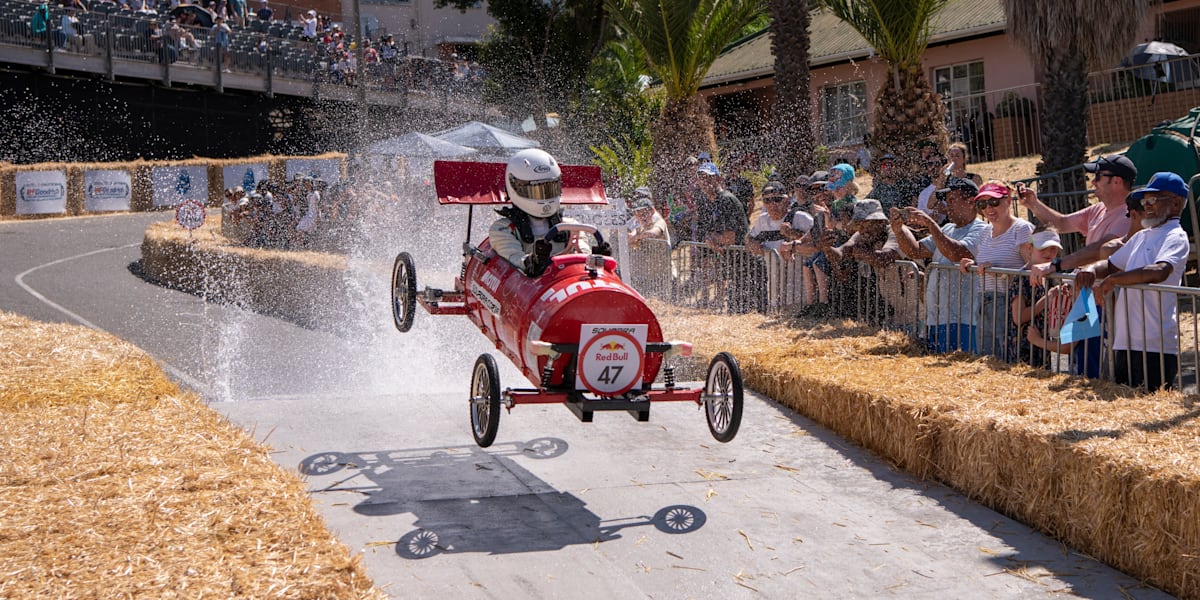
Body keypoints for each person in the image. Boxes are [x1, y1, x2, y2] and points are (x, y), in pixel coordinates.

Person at [1078, 172, 1191, 390]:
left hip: (1156, 344)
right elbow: (1111, 264)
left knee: (1151, 409)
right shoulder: (1141, 236)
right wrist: (1091, 269)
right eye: (1144, 201)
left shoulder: (1175, 236)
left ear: (1176, 203)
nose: (1147, 206)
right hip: (1125, 341)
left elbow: (1160, 271)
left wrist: (1113, 281)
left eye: (1153, 200)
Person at [891, 177, 987, 353]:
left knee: (960, 363)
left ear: (971, 202)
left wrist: (930, 224)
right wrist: (899, 230)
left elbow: (956, 254)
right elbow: (916, 251)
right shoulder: (948, 228)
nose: (947, 205)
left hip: (964, 317)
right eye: (946, 200)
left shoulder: (980, 229)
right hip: (938, 316)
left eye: (952, 200)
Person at [1023, 154, 1137, 285]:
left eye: (1098, 176)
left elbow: (1099, 250)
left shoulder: (1130, 215)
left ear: (1117, 181)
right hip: (1092, 292)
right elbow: (1061, 223)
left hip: (1111, 297)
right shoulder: (1097, 209)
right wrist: (1033, 204)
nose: (1093, 182)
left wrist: (1056, 265)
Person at [489, 149, 596, 277]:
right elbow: (515, 259)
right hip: (529, 291)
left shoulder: (570, 225)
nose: (544, 197)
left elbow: (584, 255)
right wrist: (533, 261)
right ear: (515, 187)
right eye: (536, 191)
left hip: (566, 285)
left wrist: (598, 258)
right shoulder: (502, 229)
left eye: (549, 189)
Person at [959, 181, 1035, 360]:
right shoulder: (985, 232)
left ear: (1008, 200)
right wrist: (971, 264)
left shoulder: (1022, 229)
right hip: (985, 302)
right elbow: (985, 264)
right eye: (982, 204)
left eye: (994, 202)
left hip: (1010, 304)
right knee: (987, 359)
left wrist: (999, 271)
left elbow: (1032, 268)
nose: (989, 209)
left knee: (1008, 359)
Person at [1010, 228, 1065, 368]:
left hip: (1041, 345)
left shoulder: (1048, 276)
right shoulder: (1022, 277)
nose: (1048, 253)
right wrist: (1048, 298)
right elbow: (1018, 317)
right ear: (1029, 248)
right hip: (1023, 348)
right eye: (1043, 248)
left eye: (1053, 249)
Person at [746, 180, 812, 259]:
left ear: (786, 200)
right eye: (767, 200)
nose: (772, 204)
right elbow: (749, 237)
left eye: (777, 199)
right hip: (773, 270)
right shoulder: (762, 220)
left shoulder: (800, 217)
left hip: (798, 270)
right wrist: (752, 243)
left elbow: (818, 242)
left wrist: (793, 233)